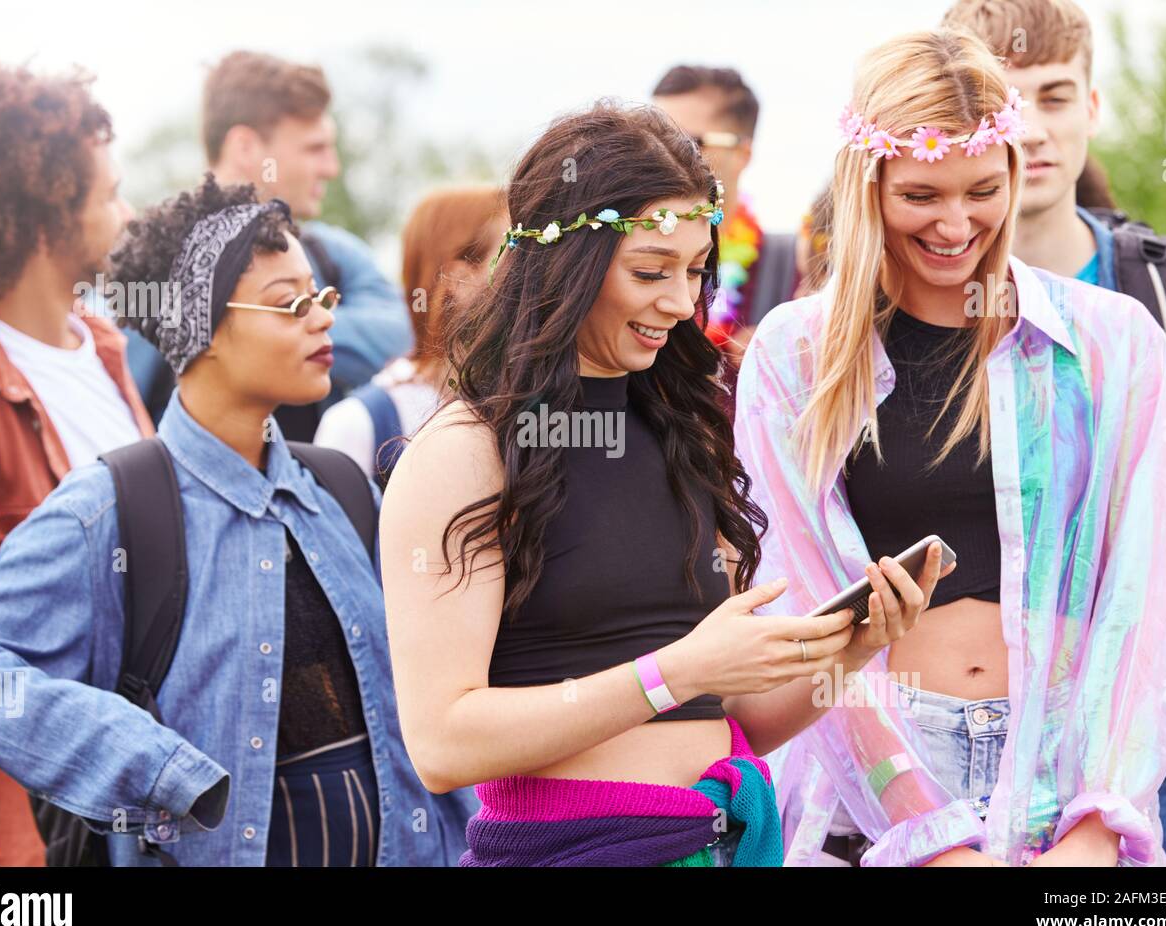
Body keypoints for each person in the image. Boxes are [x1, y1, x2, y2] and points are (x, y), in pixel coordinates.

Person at [379, 101, 949, 867]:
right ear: (565, 266)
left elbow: (725, 715)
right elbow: (443, 742)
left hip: (719, 843)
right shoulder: (463, 453)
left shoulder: (689, 433)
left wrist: (850, 650)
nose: (682, 303)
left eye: (694, 271)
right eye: (650, 271)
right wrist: (677, 670)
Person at [0, 175, 475, 866]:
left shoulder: (343, 489)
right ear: (201, 328)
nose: (324, 318)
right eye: (290, 304)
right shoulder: (113, 511)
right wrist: (152, 768)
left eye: (323, 297)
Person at [739, 28, 1166, 866]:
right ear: (867, 185)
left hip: (1069, 773)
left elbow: (1143, 594)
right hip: (872, 783)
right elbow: (799, 604)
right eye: (921, 196)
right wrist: (932, 840)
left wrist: (1095, 829)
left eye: (983, 188)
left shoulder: (1109, 342)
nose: (957, 224)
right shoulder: (793, 356)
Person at [946, 0, 1166, 869]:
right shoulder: (889, 323)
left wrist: (1163, 612)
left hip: (1144, 789)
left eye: (1055, 96)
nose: (1031, 127)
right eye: (1002, 100)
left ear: (1093, 108)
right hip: (941, 800)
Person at [0, 58, 151, 867]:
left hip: (149, 781)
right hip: (59, 819)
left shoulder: (109, 350)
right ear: (51, 217)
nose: (127, 214)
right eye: (109, 194)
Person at [124, 51, 412, 439]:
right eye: (314, 148)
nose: (331, 168)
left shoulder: (332, 252)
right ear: (245, 147)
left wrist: (260, 327)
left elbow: (402, 333)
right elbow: (117, 403)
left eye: (316, 296)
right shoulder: (154, 264)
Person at [315, 185, 506, 483]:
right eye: (513, 249)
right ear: (460, 279)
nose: (534, 268)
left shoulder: (537, 402)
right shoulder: (361, 422)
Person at [652, 65, 800, 421]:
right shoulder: (620, 264)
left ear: (743, 154)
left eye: (689, 142)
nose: (659, 156)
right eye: (650, 138)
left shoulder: (795, 273)